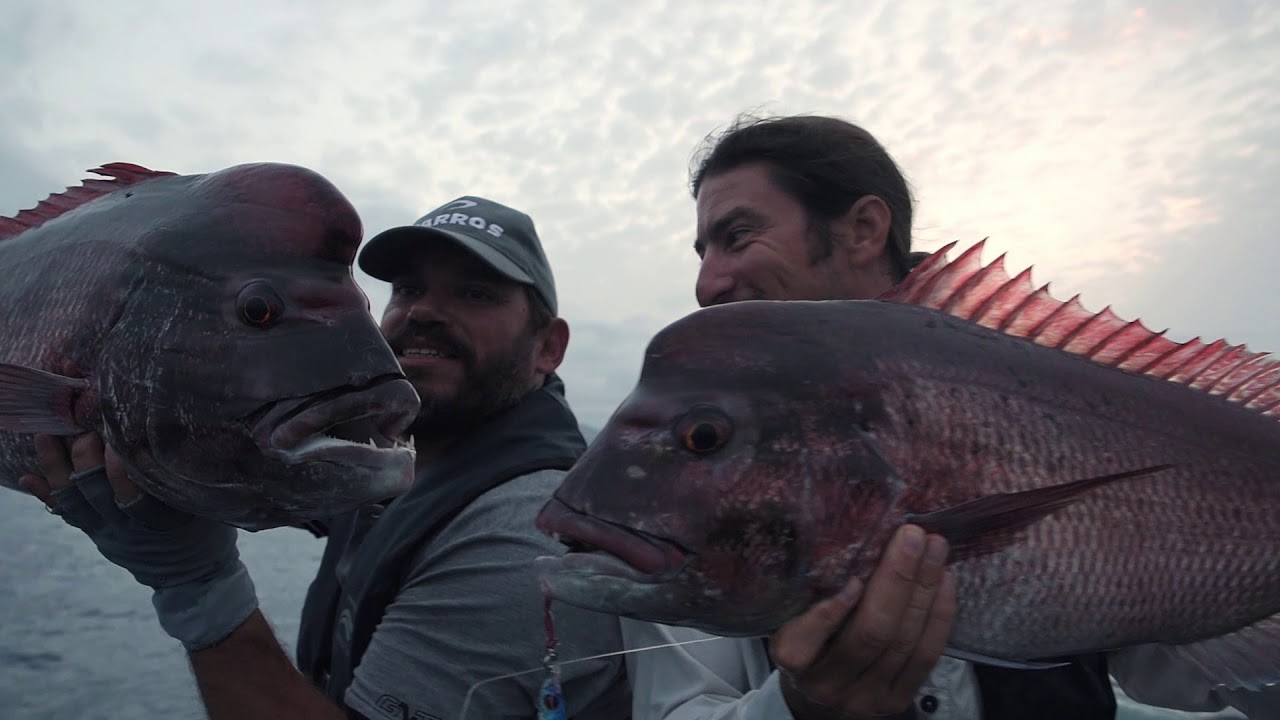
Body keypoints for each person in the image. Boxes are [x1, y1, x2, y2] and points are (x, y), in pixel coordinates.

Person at [621, 113, 1272, 720]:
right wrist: (798, 707)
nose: (707, 282)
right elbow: (678, 707)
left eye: (736, 237)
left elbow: (1181, 675)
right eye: (701, 251)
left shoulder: (1047, 384)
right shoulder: (695, 475)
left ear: (864, 230)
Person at [21, 196, 631, 719]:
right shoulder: (399, 466)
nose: (422, 311)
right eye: (408, 289)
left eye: (476, 293)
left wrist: (197, 588)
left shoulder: (528, 541)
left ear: (548, 346)